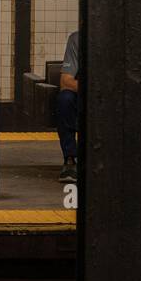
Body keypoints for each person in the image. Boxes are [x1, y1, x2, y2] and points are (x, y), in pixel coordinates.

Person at [57, 30, 80, 182]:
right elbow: (66, 81)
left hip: (113, 99)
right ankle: (70, 159)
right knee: (65, 99)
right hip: (86, 96)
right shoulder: (77, 39)